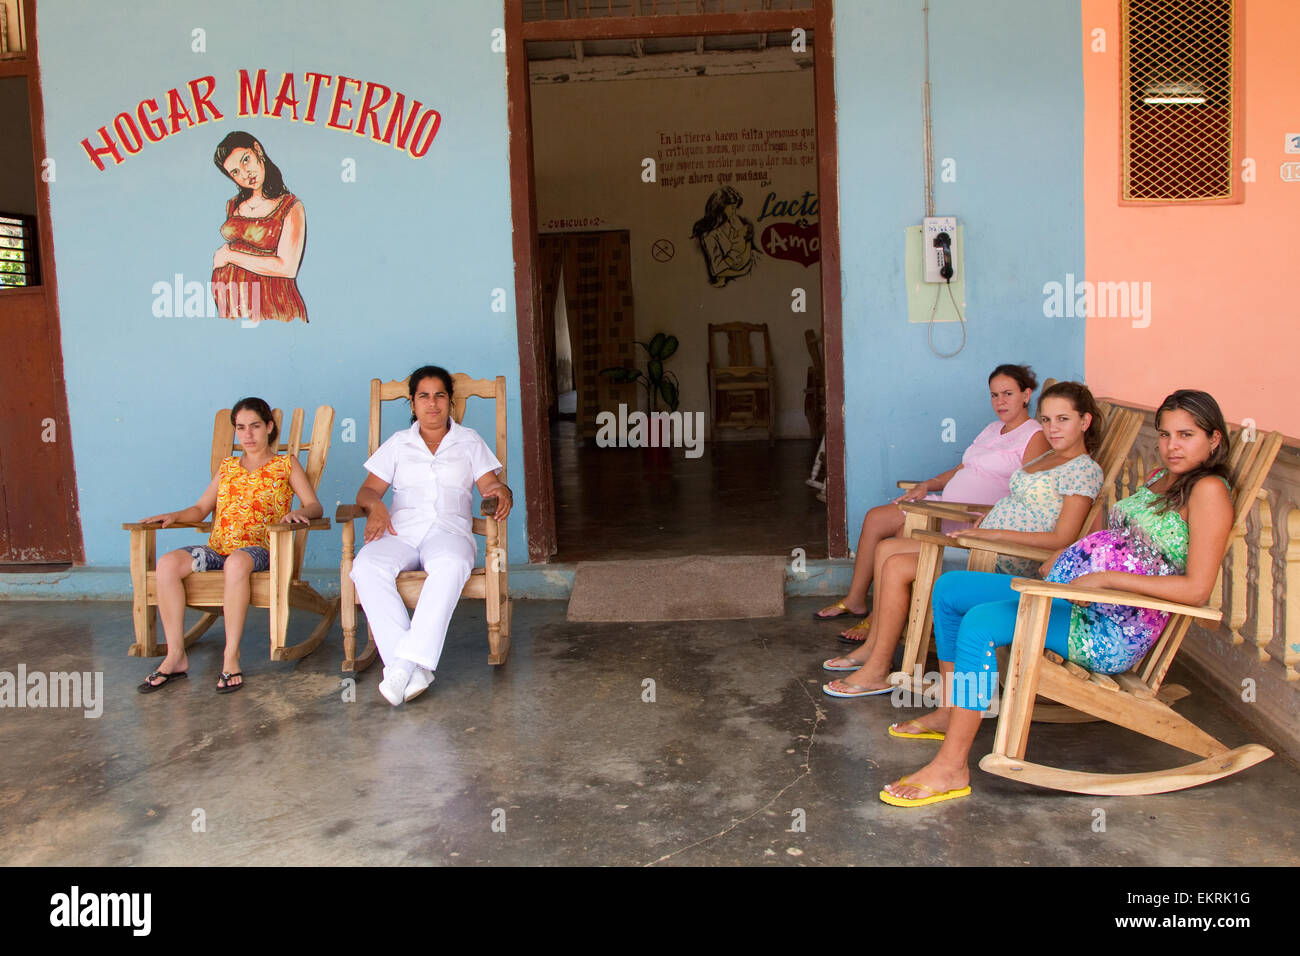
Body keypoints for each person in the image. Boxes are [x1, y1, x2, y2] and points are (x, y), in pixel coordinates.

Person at [879, 389, 1233, 807]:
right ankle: (951, 711)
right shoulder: (1163, 478)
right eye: (1165, 434)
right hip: (1077, 598)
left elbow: (1196, 589)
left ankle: (952, 765)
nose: (1172, 446)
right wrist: (1072, 555)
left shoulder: (1207, 490)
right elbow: (1121, 534)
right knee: (951, 589)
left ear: (1213, 440)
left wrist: (1102, 578)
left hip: (1108, 629)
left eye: (1186, 435)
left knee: (979, 624)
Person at [822, 381, 1104, 697]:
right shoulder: (1046, 459)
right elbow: (1022, 502)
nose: (1052, 428)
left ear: (1085, 421)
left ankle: (876, 670)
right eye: (1047, 419)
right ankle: (872, 649)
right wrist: (991, 517)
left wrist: (991, 532)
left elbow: (1061, 538)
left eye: (1063, 419)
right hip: (983, 542)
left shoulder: (1083, 470)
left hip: (1005, 558)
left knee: (899, 565)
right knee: (887, 548)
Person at [816, 365, 1050, 646]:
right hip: (947, 504)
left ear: (1026, 395)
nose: (1000, 401)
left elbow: (1027, 492)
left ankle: (882, 620)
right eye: (994, 395)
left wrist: (992, 516)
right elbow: (962, 468)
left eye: (1008, 394)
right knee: (876, 517)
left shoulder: (1034, 435)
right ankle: (856, 600)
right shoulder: (992, 429)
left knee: (905, 531)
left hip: (970, 516)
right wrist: (928, 485)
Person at [349, 365, 513, 706]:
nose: (432, 403)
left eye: (440, 395)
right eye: (423, 396)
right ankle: (412, 668)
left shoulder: (469, 441)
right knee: (365, 566)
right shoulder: (398, 443)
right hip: (399, 530)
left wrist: (502, 490)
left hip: (449, 530)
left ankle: (402, 664)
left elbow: (490, 484)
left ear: (449, 402)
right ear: (412, 403)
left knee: (452, 564)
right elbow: (366, 491)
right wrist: (375, 506)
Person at [137, 398, 322, 694]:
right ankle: (176, 655)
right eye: (241, 428)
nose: (248, 435)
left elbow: (314, 505)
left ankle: (231, 655)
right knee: (168, 563)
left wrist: (301, 513)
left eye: (255, 426)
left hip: (260, 551)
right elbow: (199, 510)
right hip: (218, 550)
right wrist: (173, 515)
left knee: (236, 561)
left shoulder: (285, 464)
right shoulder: (228, 468)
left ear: (269, 427)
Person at [211, 131, 308, 323]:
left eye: (245, 160)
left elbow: (287, 268)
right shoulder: (233, 206)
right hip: (234, 309)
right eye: (235, 172)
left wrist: (229, 256)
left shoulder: (290, 206)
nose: (245, 175)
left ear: (258, 150)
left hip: (273, 306)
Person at [691, 186, 758, 286]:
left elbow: (747, 238)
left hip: (752, 262)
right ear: (721, 207)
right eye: (732, 208)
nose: (734, 212)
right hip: (736, 277)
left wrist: (746, 255)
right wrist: (742, 272)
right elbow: (717, 270)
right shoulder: (709, 236)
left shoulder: (733, 219)